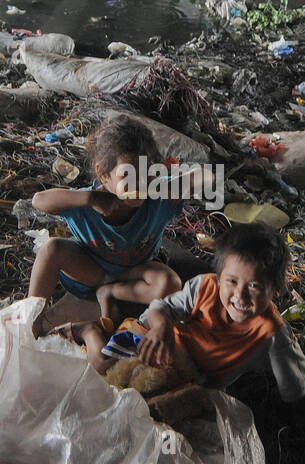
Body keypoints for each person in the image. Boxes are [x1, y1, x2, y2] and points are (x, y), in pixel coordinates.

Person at [68, 221, 305, 424]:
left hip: (193, 376)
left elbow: (295, 387)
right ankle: (89, 329)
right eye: (231, 281)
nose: (240, 295)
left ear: (276, 290)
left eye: (254, 286)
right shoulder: (205, 287)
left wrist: (301, 419)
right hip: (156, 339)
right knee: (101, 365)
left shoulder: (271, 334)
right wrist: (162, 328)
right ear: (219, 277)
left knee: (187, 402)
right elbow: (160, 307)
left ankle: (138, 415)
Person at [30, 115, 198, 335]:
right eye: (127, 175)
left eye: (147, 174)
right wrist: (89, 199)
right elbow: (38, 201)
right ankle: (30, 323)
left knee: (170, 285)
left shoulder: (159, 197)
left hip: (136, 273)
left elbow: (206, 177)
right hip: (92, 272)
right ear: (103, 175)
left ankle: (110, 293)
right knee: (51, 249)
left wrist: (172, 185)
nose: (139, 182)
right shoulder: (89, 203)